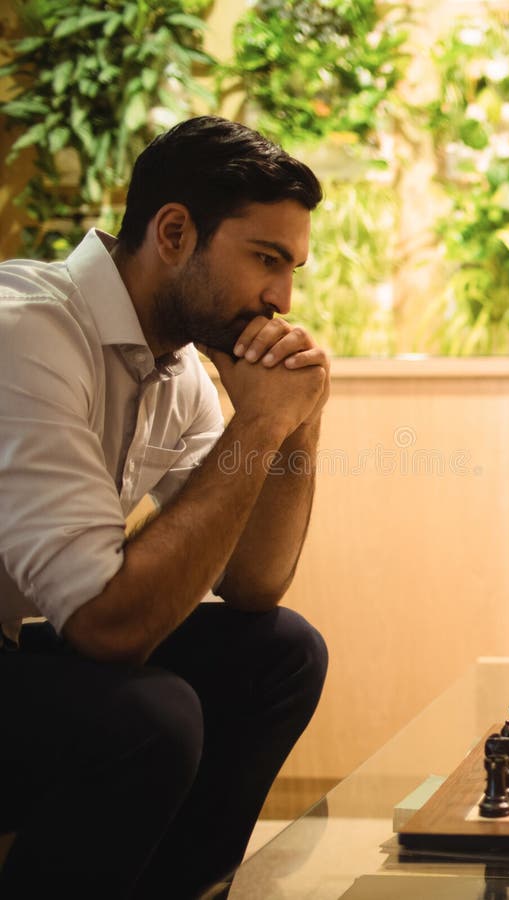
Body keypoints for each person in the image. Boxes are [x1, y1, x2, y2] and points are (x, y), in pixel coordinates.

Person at [0, 116, 330, 899]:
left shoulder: (174, 364)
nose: (281, 299)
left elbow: (254, 583)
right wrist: (256, 419)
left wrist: (298, 422)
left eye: (292, 270)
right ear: (175, 232)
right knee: (150, 718)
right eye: (266, 259)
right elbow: (107, 627)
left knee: (279, 653)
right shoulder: (26, 334)